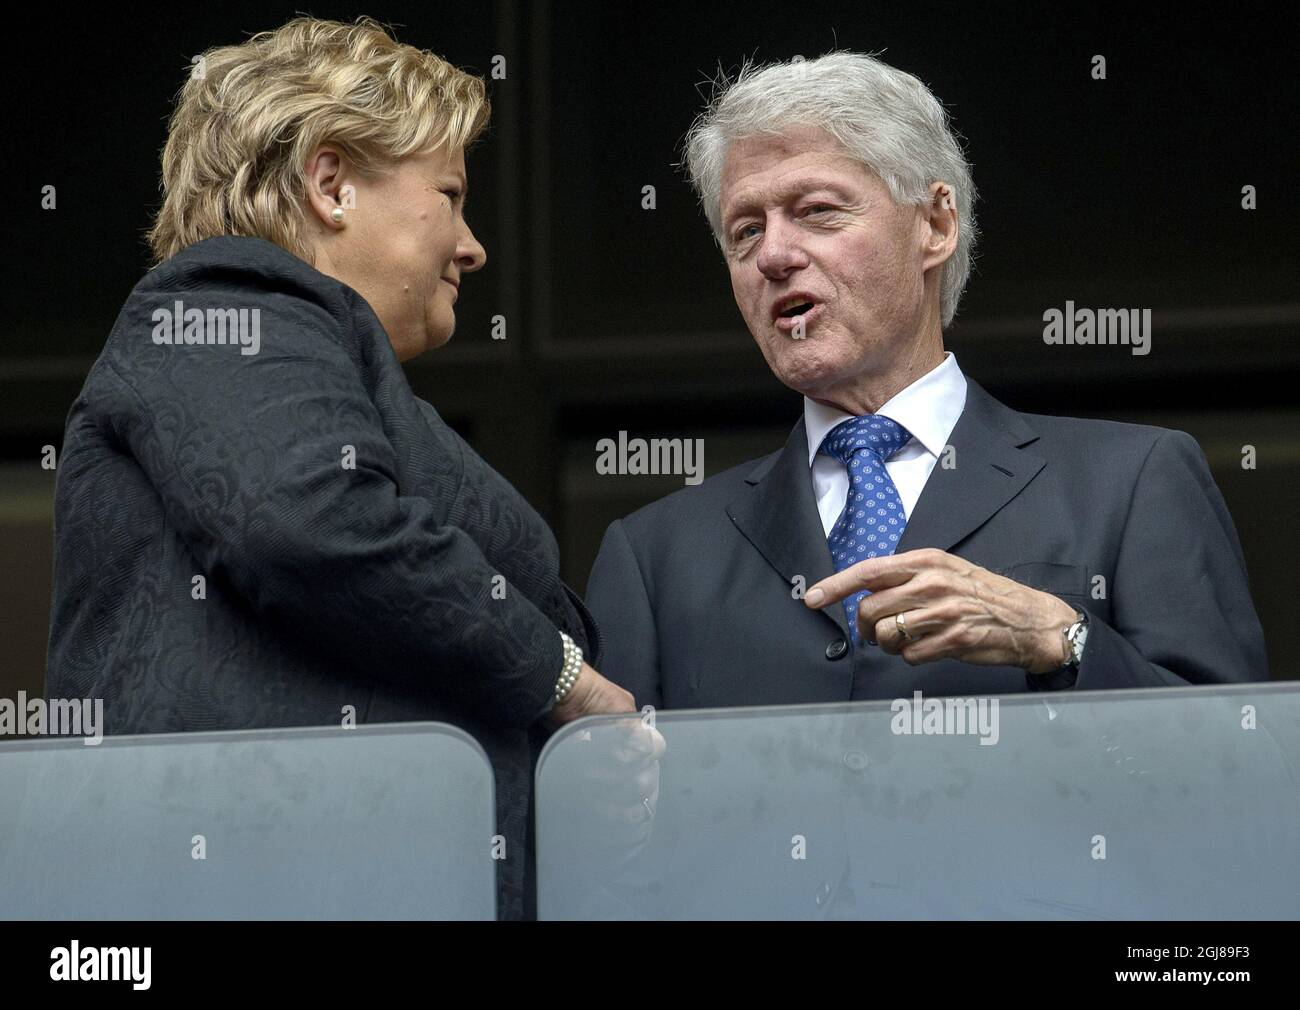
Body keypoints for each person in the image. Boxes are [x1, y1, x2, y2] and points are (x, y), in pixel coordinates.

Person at [44, 16, 635, 921]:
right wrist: (564, 681)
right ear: (330, 184)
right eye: (450, 193)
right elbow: (306, 516)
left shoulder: (322, 363)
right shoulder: (229, 301)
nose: (473, 246)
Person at [585, 52, 1269, 715]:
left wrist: (1062, 641)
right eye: (745, 230)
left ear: (936, 226)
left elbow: (1240, 771)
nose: (773, 254)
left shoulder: (1133, 482)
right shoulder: (654, 558)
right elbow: (612, 817)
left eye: (818, 210)